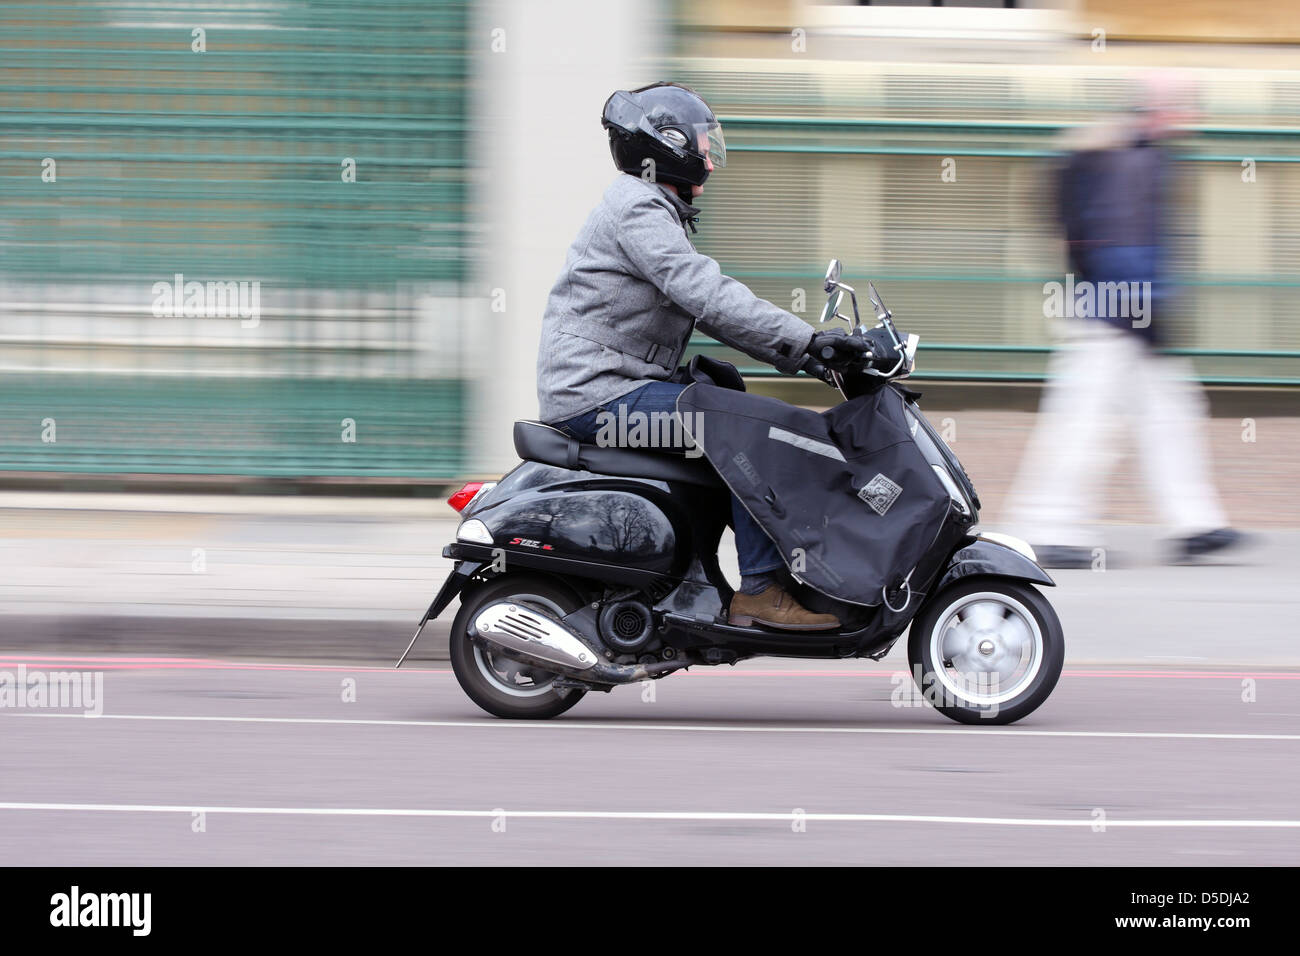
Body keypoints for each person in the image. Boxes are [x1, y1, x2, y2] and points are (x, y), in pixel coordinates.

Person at [536, 82, 865, 630]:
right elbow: (708, 296)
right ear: (663, 145)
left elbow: (710, 305)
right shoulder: (638, 209)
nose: (709, 155)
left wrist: (811, 356)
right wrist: (808, 343)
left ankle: (750, 577)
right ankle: (760, 592)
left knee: (737, 411)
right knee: (746, 432)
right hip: (594, 397)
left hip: (615, 385)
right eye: (700, 143)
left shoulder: (653, 207)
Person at [1007, 72, 1245, 567]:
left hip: (1122, 311)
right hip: (1115, 313)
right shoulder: (1130, 157)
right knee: (1085, 422)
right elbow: (1119, 238)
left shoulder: (1136, 151)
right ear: (1161, 110)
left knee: (1170, 413)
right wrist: (1143, 313)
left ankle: (1195, 523)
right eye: (1186, 105)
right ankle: (1050, 527)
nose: (1193, 117)